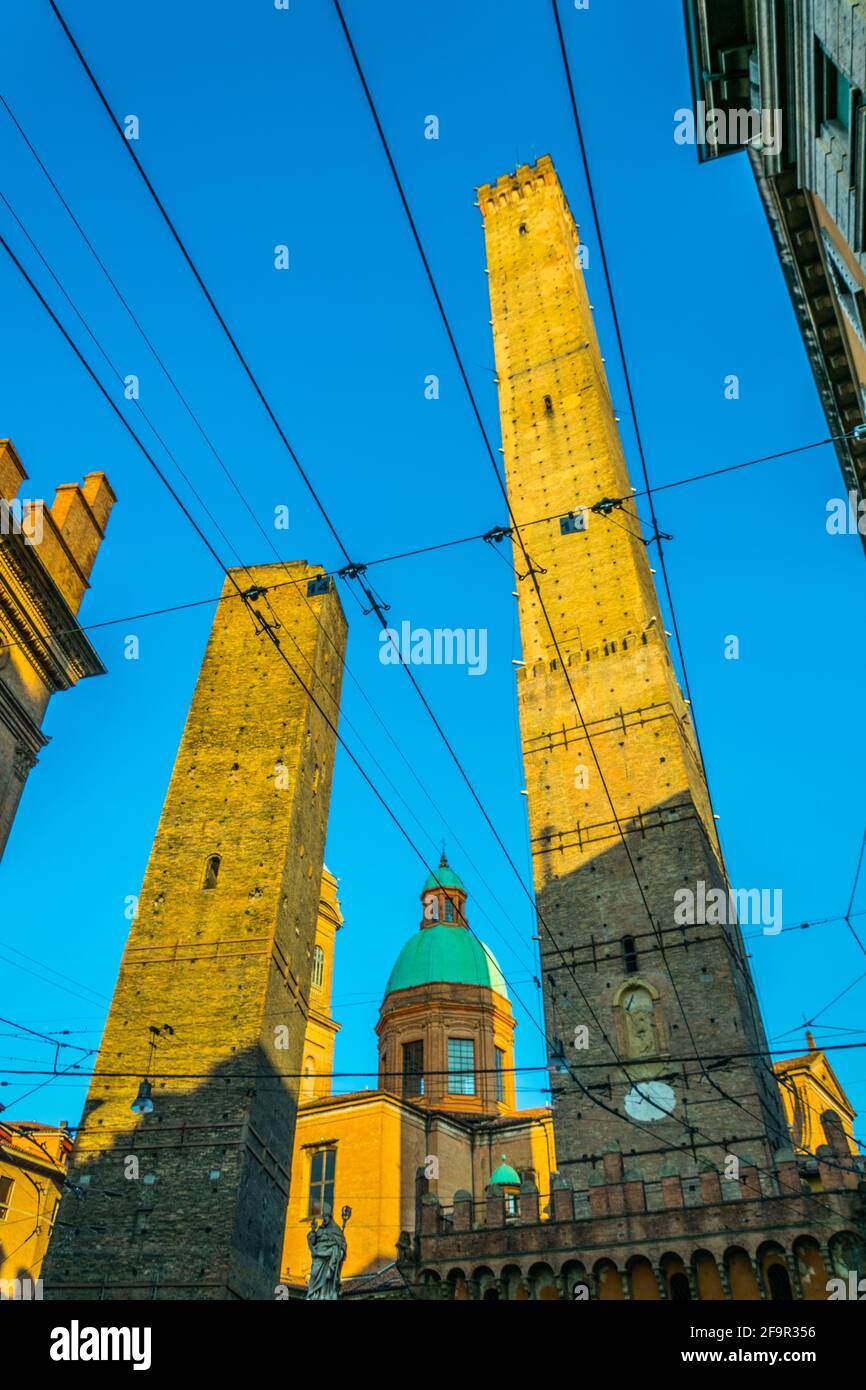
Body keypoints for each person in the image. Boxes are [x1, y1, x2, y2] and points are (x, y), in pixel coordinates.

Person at [306, 1206, 347, 1300]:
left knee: (327, 1281)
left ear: (330, 1217)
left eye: (325, 1216)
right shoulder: (319, 1229)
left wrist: (339, 1252)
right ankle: (313, 1295)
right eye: (323, 1217)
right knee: (314, 1276)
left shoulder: (336, 1230)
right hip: (318, 1257)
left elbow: (343, 1245)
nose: (323, 1219)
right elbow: (312, 1241)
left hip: (329, 1258)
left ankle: (324, 1296)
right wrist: (313, 1231)